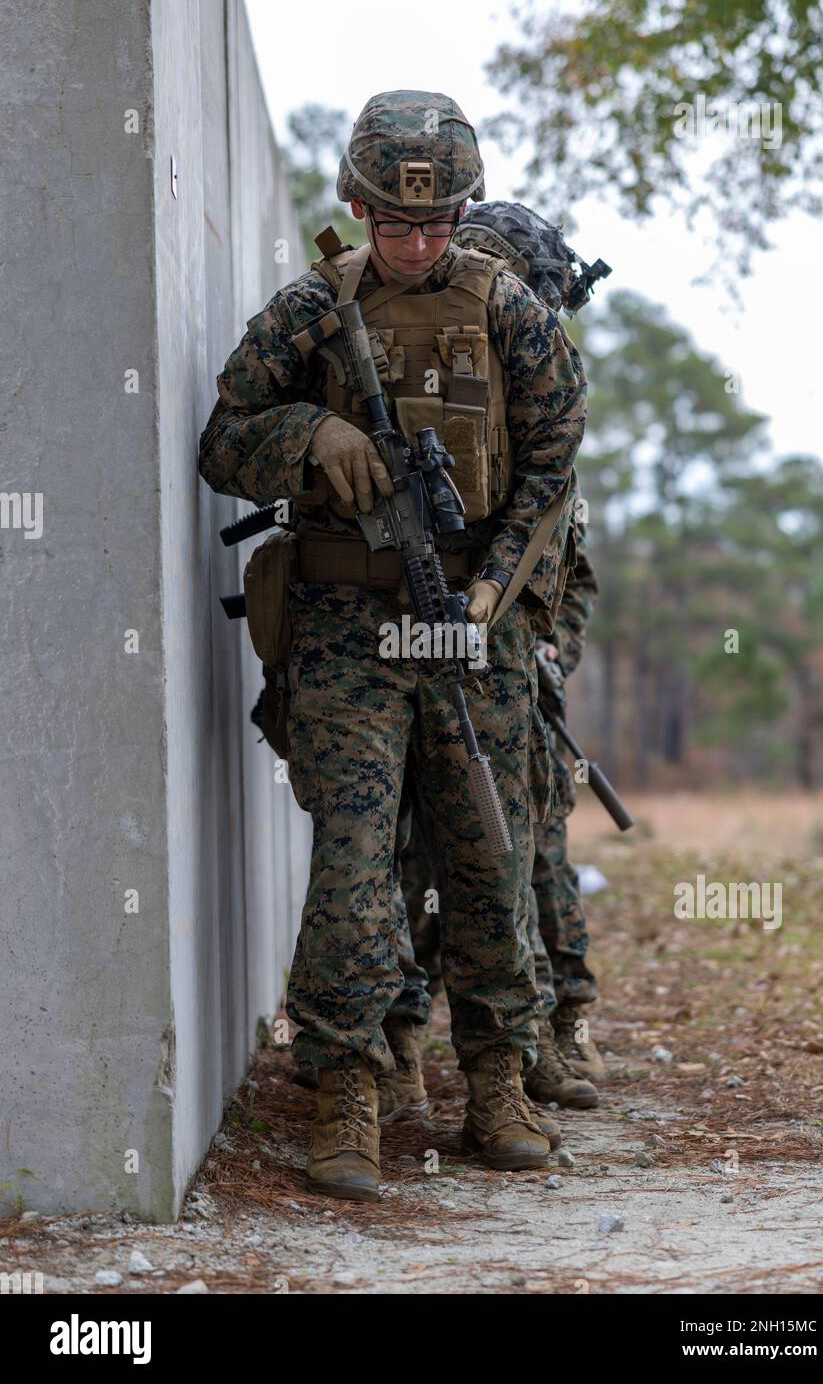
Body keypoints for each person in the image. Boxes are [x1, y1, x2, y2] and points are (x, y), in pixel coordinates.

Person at [198, 92, 587, 1203]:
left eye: (436, 225)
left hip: (475, 626)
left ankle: (499, 1079)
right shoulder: (313, 308)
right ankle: (346, 1089)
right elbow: (221, 438)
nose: (415, 246)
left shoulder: (510, 309)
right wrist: (305, 433)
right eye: (393, 224)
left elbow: (555, 465)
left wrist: (490, 598)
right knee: (357, 861)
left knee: (487, 850)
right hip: (348, 630)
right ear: (359, 206)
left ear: (463, 211)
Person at [377, 202, 608, 1127]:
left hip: (510, 661)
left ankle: (548, 1033)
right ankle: (395, 1049)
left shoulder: (540, 421)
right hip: (399, 652)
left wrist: (553, 645)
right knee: (399, 863)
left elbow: (571, 569)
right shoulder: (404, 373)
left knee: (523, 855)